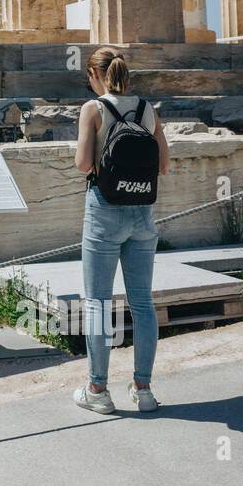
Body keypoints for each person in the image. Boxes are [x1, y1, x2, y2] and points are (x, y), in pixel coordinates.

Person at [71, 47, 170, 414]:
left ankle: (98, 389)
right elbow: (164, 166)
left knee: (97, 302)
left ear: (94, 76)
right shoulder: (147, 109)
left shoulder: (92, 109)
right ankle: (143, 388)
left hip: (104, 212)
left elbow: (83, 164)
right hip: (143, 213)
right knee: (142, 302)